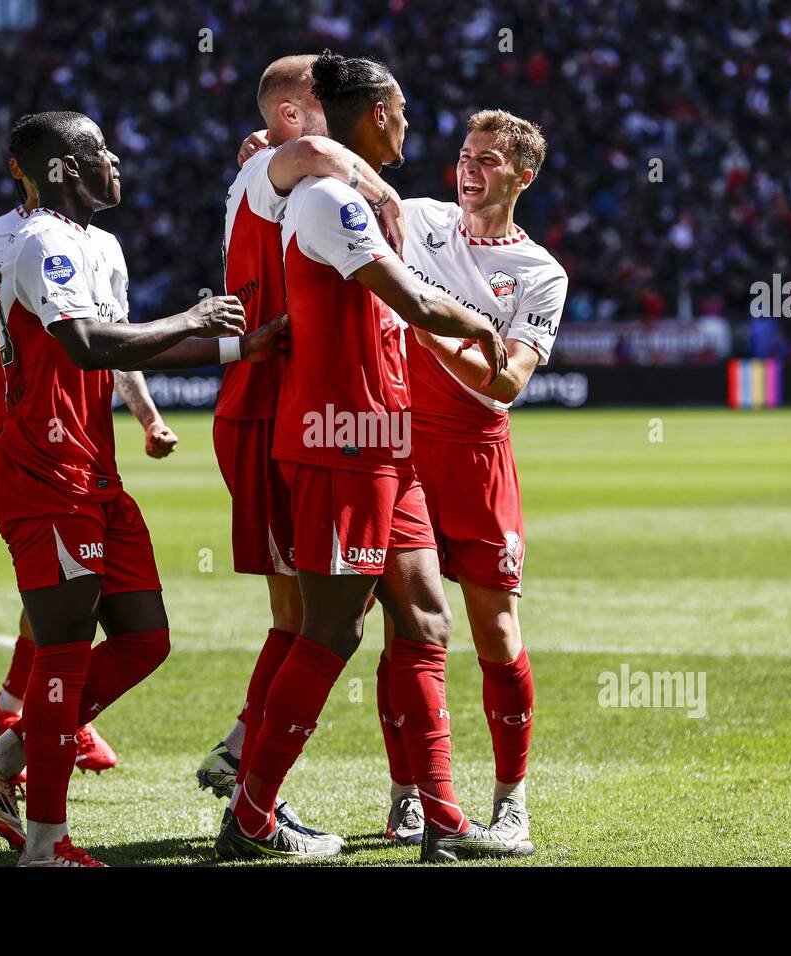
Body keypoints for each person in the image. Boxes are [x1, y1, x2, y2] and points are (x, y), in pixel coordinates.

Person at [213, 51, 530, 863]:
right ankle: (250, 813)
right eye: (402, 111)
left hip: (388, 441)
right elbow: (415, 300)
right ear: (376, 113)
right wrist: (484, 326)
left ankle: (442, 815)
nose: (410, 126)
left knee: (427, 616)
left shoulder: (354, 195)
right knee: (329, 630)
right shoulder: (324, 200)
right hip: (336, 439)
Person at [0, 110, 284, 867]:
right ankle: (45, 843)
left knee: (144, 638)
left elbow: (128, 345)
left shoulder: (100, 244)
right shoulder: (38, 242)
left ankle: (6, 756)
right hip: (44, 473)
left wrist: (237, 345)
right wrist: (196, 315)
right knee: (64, 653)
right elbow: (83, 342)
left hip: (94, 471)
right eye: (102, 150)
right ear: (66, 168)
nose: (117, 161)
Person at [0, 135, 178, 780]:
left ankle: (19, 710)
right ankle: (40, 730)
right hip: (31, 448)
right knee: (67, 610)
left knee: (74, 608)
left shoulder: (98, 242)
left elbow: (114, 341)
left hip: (89, 451)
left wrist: (147, 416)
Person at [195, 54, 406, 844]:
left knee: (306, 614)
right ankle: (253, 790)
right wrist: (380, 190)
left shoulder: (273, 176)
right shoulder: (276, 175)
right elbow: (317, 154)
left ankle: (248, 764)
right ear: (292, 114)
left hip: (283, 408)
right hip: (265, 410)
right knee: (309, 616)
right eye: (325, 104)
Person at [379, 109, 568, 847]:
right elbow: (351, 185)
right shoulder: (420, 218)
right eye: (464, 154)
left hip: (476, 452)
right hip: (399, 448)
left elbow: (508, 381)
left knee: (495, 629)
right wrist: (278, 150)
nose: (470, 167)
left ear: (522, 175)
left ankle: (511, 802)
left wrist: (425, 319)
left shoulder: (538, 272)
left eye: (488, 159)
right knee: (405, 632)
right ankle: (408, 794)